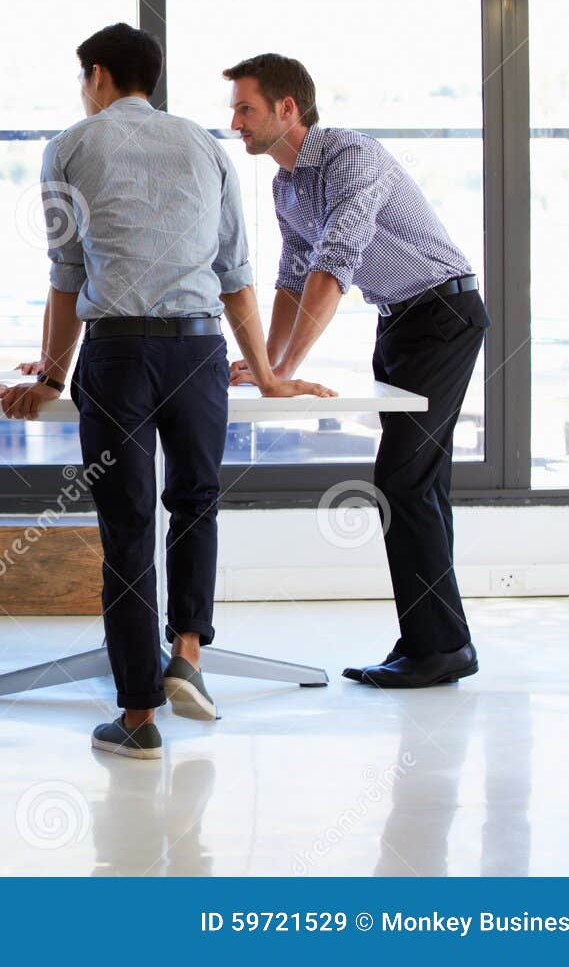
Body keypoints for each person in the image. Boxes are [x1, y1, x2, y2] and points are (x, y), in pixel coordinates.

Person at [0, 24, 331, 760]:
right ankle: (187, 654)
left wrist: (51, 374)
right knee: (196, 500)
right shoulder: (207, 148)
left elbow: (67, 275)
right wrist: (267, 374)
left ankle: (138, 716)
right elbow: (235, 276)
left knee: (127, 527)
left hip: (118, 351)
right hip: (198, 347)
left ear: (98, 76)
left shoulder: (69, 147)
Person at [224, 53, 488, 689]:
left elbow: (333, 266)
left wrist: (282, 371)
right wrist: (268, 367)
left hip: (444, 316)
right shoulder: (286, 185)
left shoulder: (350, 156)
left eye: (245, 108)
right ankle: (434, 640)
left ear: (288, 108)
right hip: (398, 321)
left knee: (403, 483)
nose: (235, 123)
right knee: (422, 485)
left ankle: (441, 647)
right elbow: (293, 277)